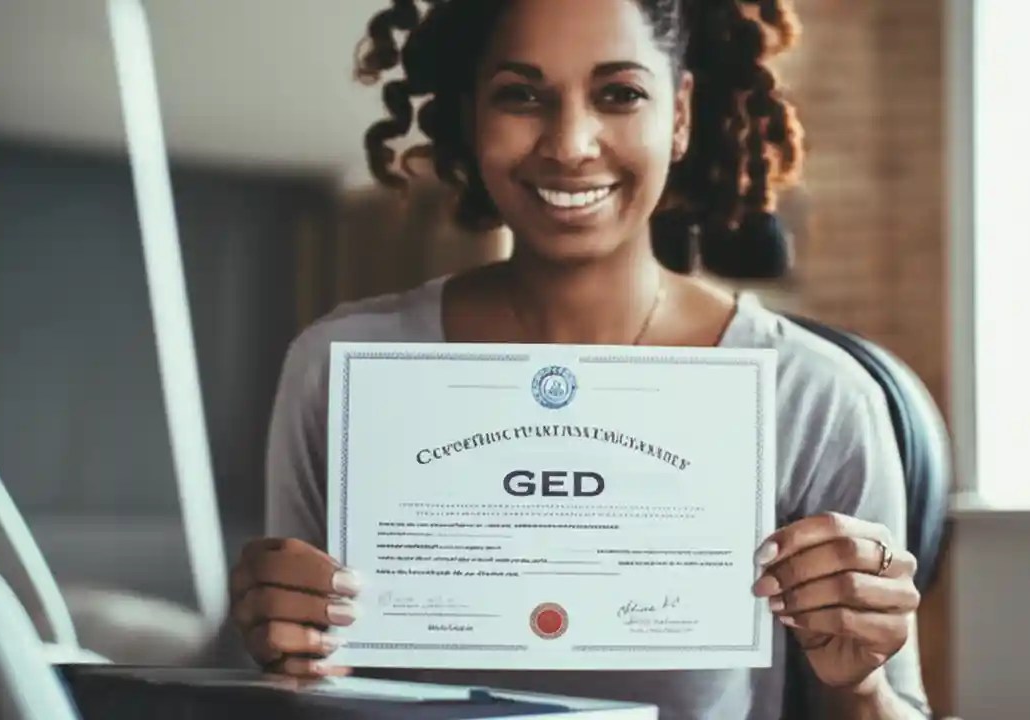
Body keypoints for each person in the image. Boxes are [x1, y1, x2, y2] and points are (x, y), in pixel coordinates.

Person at [227, 0, 931, 717]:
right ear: (472, 115)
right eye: (521, 95)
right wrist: (280, 647)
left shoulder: (812, 397)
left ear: (680, 114)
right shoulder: (338, 370)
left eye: (619, 93)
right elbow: (300, 688)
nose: (569, 145)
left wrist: (859, 684)